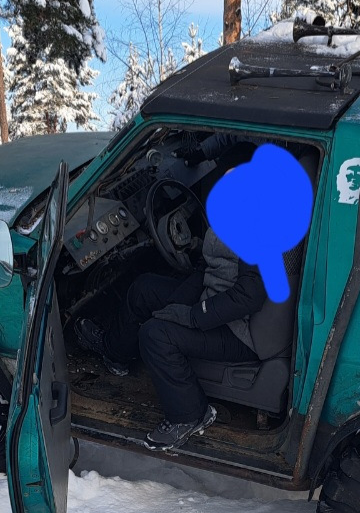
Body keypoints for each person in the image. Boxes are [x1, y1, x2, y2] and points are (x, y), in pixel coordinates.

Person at [74, 139, 266, 450]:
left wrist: (192, 315)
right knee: (144, 288)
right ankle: (116, 352)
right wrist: (181, 300)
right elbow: (206, 266)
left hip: (240, 330)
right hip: (215, 299)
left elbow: (250, 296)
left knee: (155, 333)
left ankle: (190, 414)